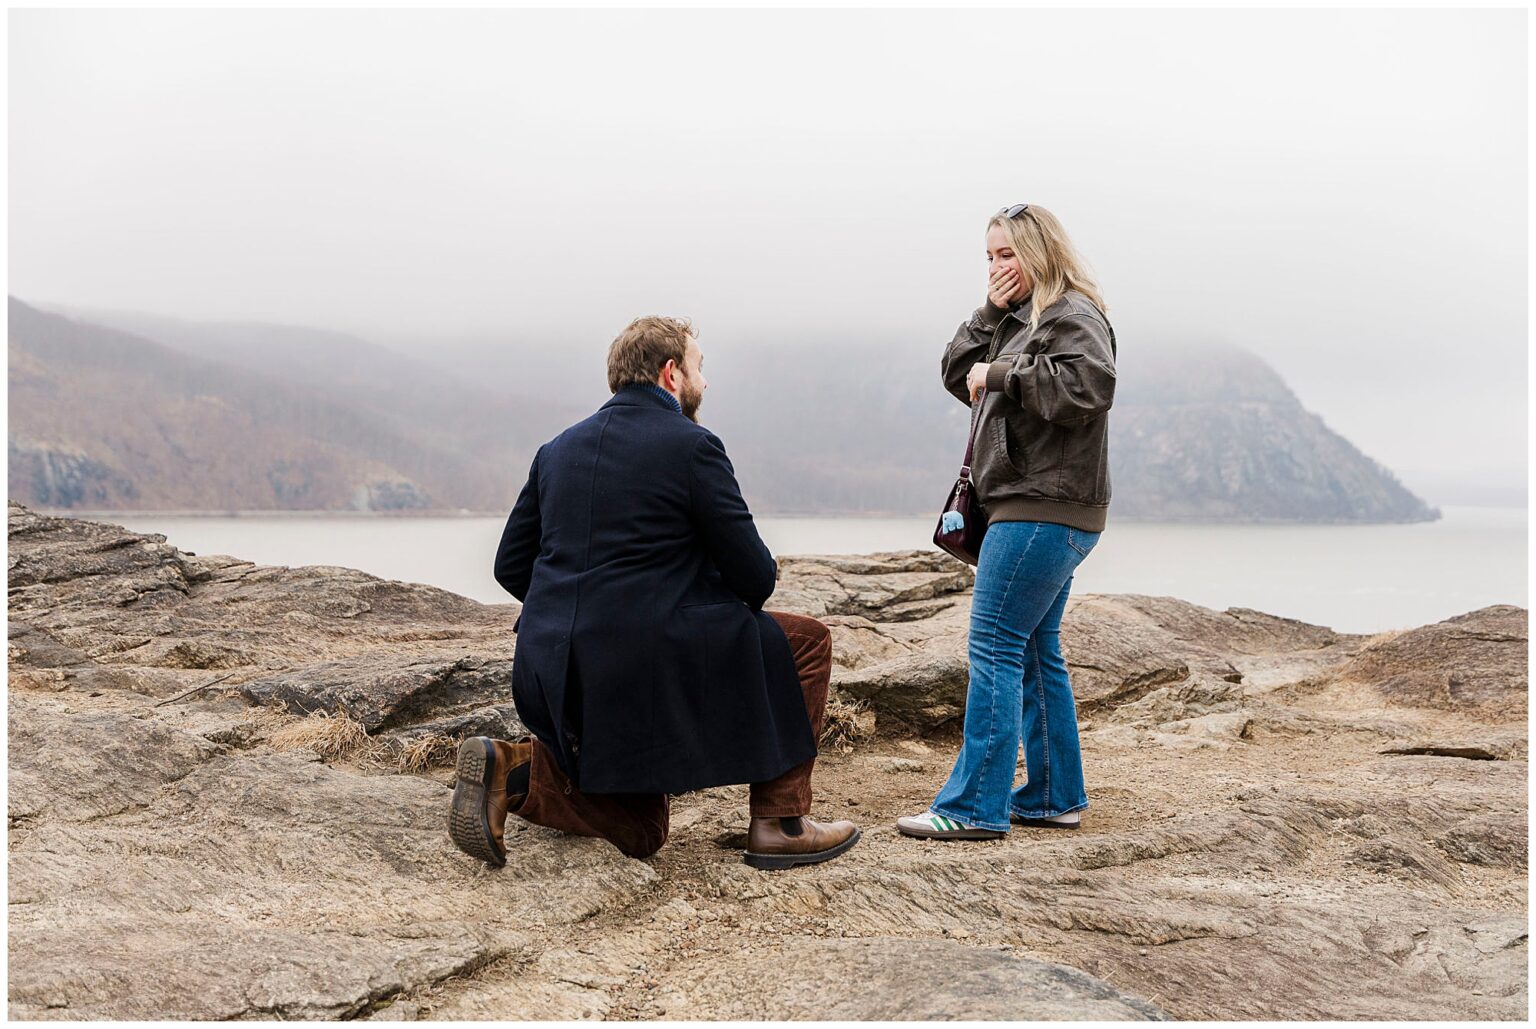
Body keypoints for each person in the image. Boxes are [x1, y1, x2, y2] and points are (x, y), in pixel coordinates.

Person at [451, 315, 860, 870]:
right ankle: (781, 822)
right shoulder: (692, 446)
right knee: (805, 641)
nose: (705, 383)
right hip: (642, 669)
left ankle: (514, 772)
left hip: (550, 670)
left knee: (643, 832)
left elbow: (509, 565)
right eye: (699, 368)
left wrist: (577, 613)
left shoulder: (557, 449)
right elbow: (755, 579)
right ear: (671, 374)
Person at [898, 203, 1116, 840]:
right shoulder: (1016, 320)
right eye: (989, 256)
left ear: (1039, 250)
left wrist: (1004, 373)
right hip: (1040, 508)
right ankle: (1053, 796)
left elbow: (1088, 387)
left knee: (993, 645)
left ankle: (973, 807)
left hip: (1040, 507)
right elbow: (953, 373)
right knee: (1034, 648)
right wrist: (990, 318)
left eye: (1007, 254)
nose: (997, 268)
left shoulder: (1072, 313)